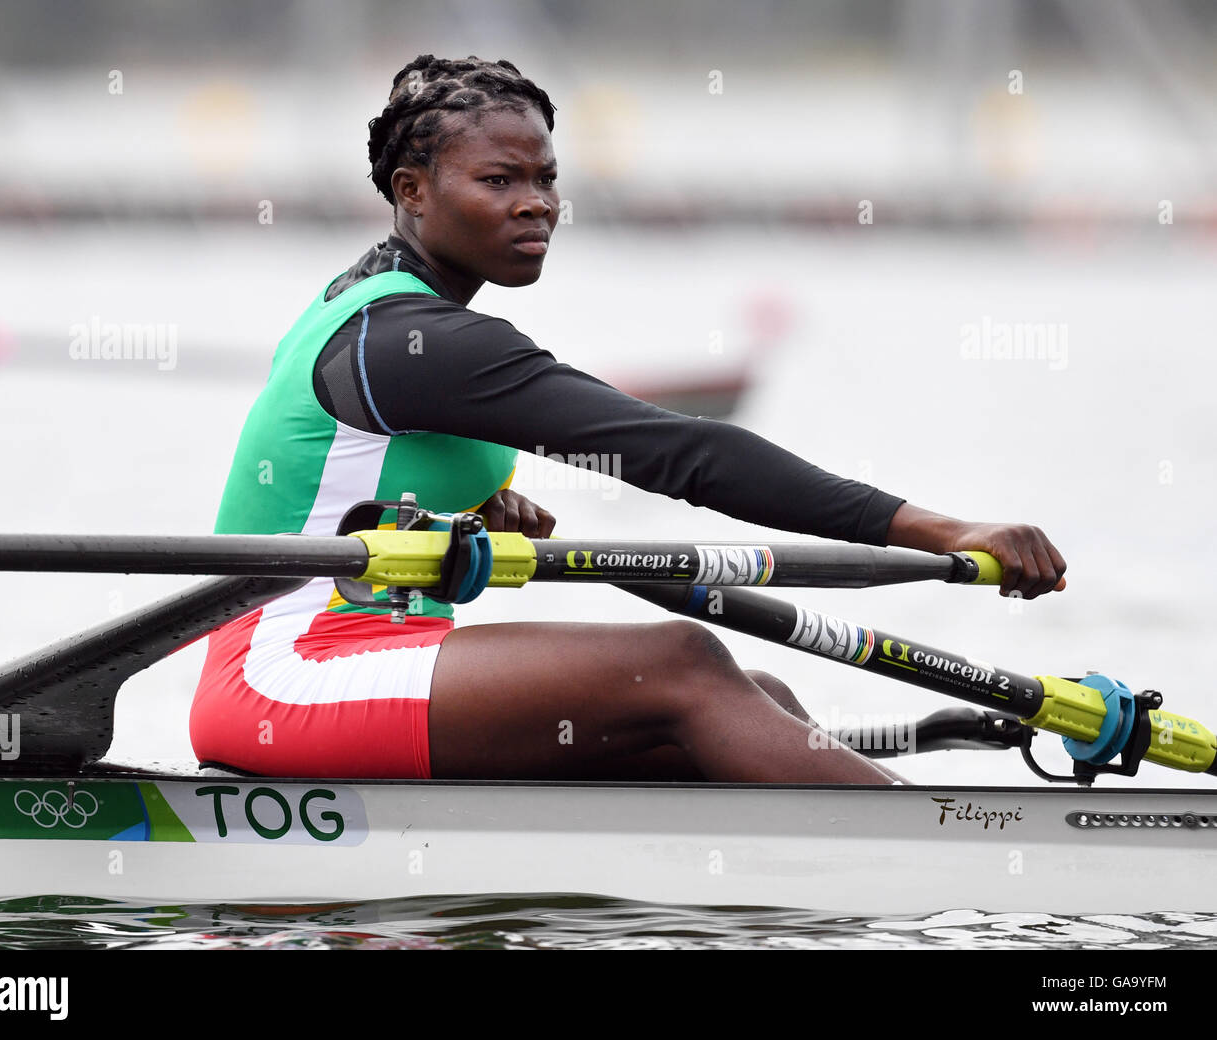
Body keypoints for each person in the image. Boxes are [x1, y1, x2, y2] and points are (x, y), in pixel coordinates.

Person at [190, 54, 1066, 785]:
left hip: (372, 659)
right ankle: (958, 867)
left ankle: (779, 900)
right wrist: (940, 529)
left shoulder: (375, 300)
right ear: (412, 190)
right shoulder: (414, 337)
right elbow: (678, 452)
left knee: (759, 695)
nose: (536, 203)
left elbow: (353, 472)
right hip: (288, 676)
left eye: (545, 178)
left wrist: (467, 506)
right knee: (682, 664)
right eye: (499, 180)